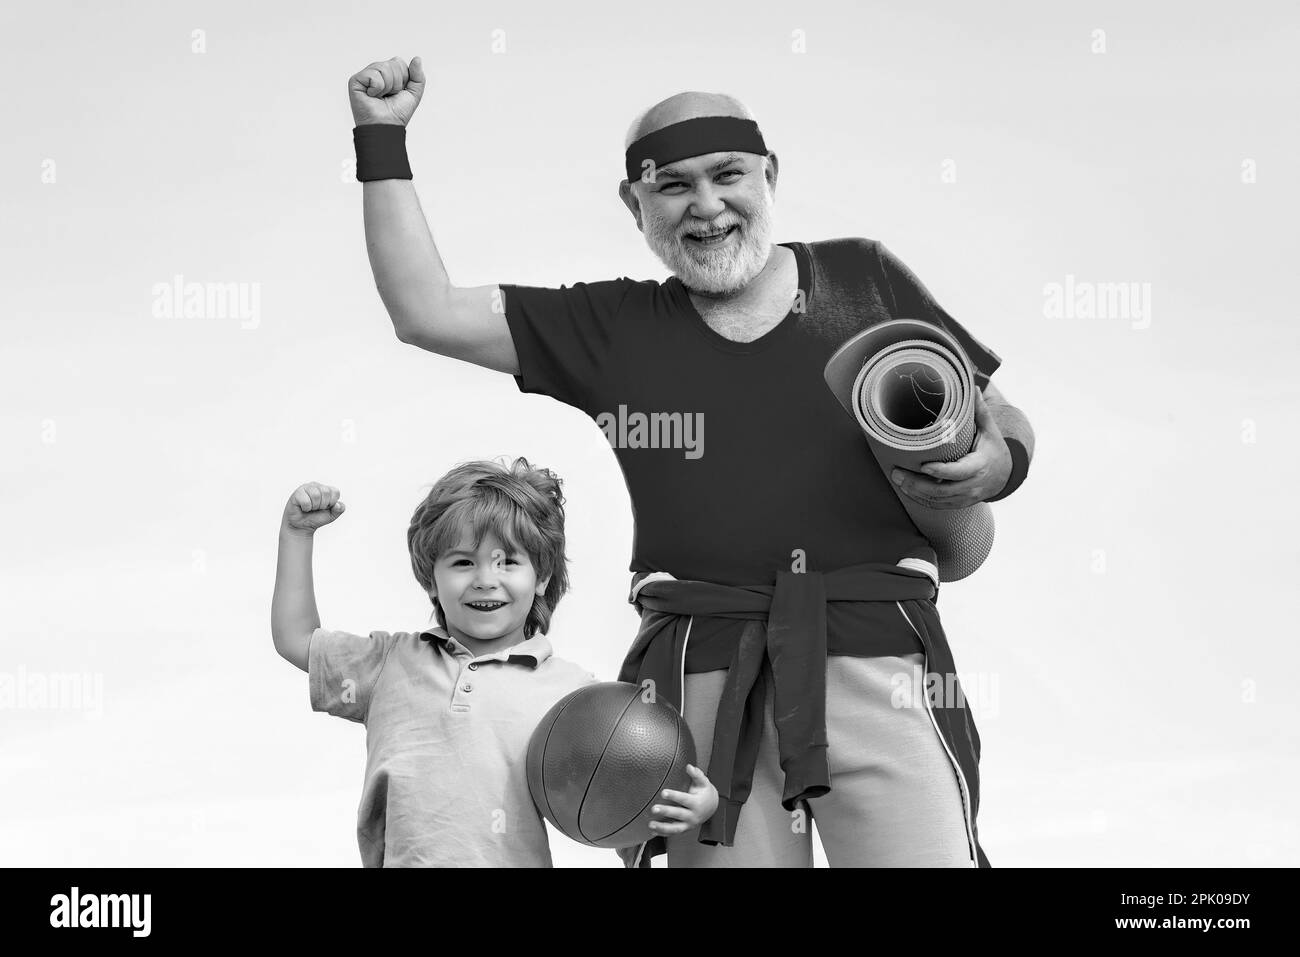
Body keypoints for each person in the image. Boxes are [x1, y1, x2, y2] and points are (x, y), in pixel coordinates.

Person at [346, 56, 1036, 868]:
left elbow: (992, 405)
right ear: (633, 203)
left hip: (877, 652)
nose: (706, 206)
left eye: (728, 174)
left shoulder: (863, 274)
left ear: (769, 174)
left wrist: (1003, 460)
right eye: (671, 184)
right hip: (702, 670)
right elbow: (425, 311)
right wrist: (380, 139)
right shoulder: (612, 326)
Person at [270, 457, 719, 866]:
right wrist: (297, 535)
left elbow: (619, 797)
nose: (486, 580)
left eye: (507, 563)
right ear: (431, 579)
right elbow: (296, 638)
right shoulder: (390, 663)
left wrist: (695, 805)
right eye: (463, 562)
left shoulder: (575, 696)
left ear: (541, 577)